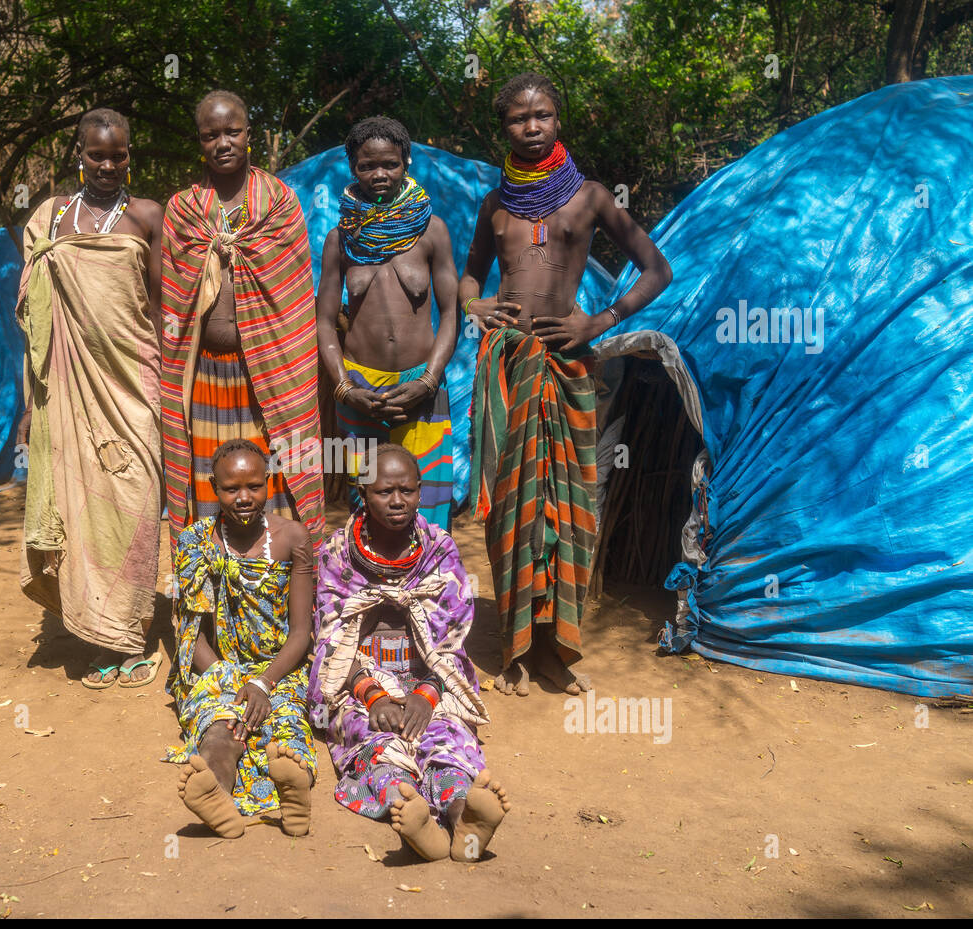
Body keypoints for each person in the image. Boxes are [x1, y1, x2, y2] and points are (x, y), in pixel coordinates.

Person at [460, 73, 672, 697]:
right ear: (504, 129)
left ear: (558, 121)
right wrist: (475, 306)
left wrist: (599, 320)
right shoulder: (494, 205)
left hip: (569, 369)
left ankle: (556, 649)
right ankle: (515, 647)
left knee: (569, 511)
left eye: (543, 116)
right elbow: (470, 278)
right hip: (508, 370)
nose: (531, 128)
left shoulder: (590, 198)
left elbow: (657, 269)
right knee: (510, 511)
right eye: (518, 119)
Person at [16, 107, 166, 690]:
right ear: (76, 153)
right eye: (96, 154)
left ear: (131, 154)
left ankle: (133, 632)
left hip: (133, 386)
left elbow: (160, 309)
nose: (108, 165)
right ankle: (100, 639)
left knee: (132, 501)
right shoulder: (49, 219)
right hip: (65, 391)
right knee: (81, 512)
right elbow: (32, 322)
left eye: (119, 154)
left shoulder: (148, 216)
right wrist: (30, 403)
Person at [310, 444, 509, 862]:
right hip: (359, 680)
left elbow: (453, 640)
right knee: (375, 740)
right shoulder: (337, 554)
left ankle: (461, 815)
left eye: (407, 490)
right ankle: (414, 817)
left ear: (421, 491)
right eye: (384, 491)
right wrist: (373, 694)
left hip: (429, 677)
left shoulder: (439, 550)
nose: (397, 501)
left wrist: (428, 693)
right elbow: (330, 640)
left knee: (445, 738)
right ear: (362, 495)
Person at [159, 89, 325, 553]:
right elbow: (171, 302)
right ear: (200, 142)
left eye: (232, 131)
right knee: (211, 483)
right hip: (204, 375)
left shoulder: (277, 202)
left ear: (249, 134)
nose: (223, 142)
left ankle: (278, 594)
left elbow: (292, 300)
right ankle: (209, 595)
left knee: (269, 480)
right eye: (211, 135)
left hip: (268, 378)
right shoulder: (184, 210)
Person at [164, 439, 316, 838]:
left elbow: (301, 632)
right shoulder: (195, 542)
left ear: (269, 483)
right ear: (214, 489)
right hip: (219, 669)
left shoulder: (294, 537)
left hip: (281, 669)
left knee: (285, 730)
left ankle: (293, 793)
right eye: (231, 489)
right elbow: (189, 630)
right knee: (221, 727)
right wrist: (230, 682)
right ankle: (216, 792)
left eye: (254, 487)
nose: (244, 498)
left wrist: (263, 683)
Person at [315, 116, 458, 529]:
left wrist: (429, 380)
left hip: (423, 388)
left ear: (406, 161)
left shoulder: (432, 232)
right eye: (366, 166)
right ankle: (370, 592)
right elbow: (325, 322)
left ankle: (425, 592)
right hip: (360, 391)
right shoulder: (340, 240)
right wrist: (344, 387)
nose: (379, 174)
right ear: (352, 168)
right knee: (369, 503)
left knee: (428, 502)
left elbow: (451, 314)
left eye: (390, 164)